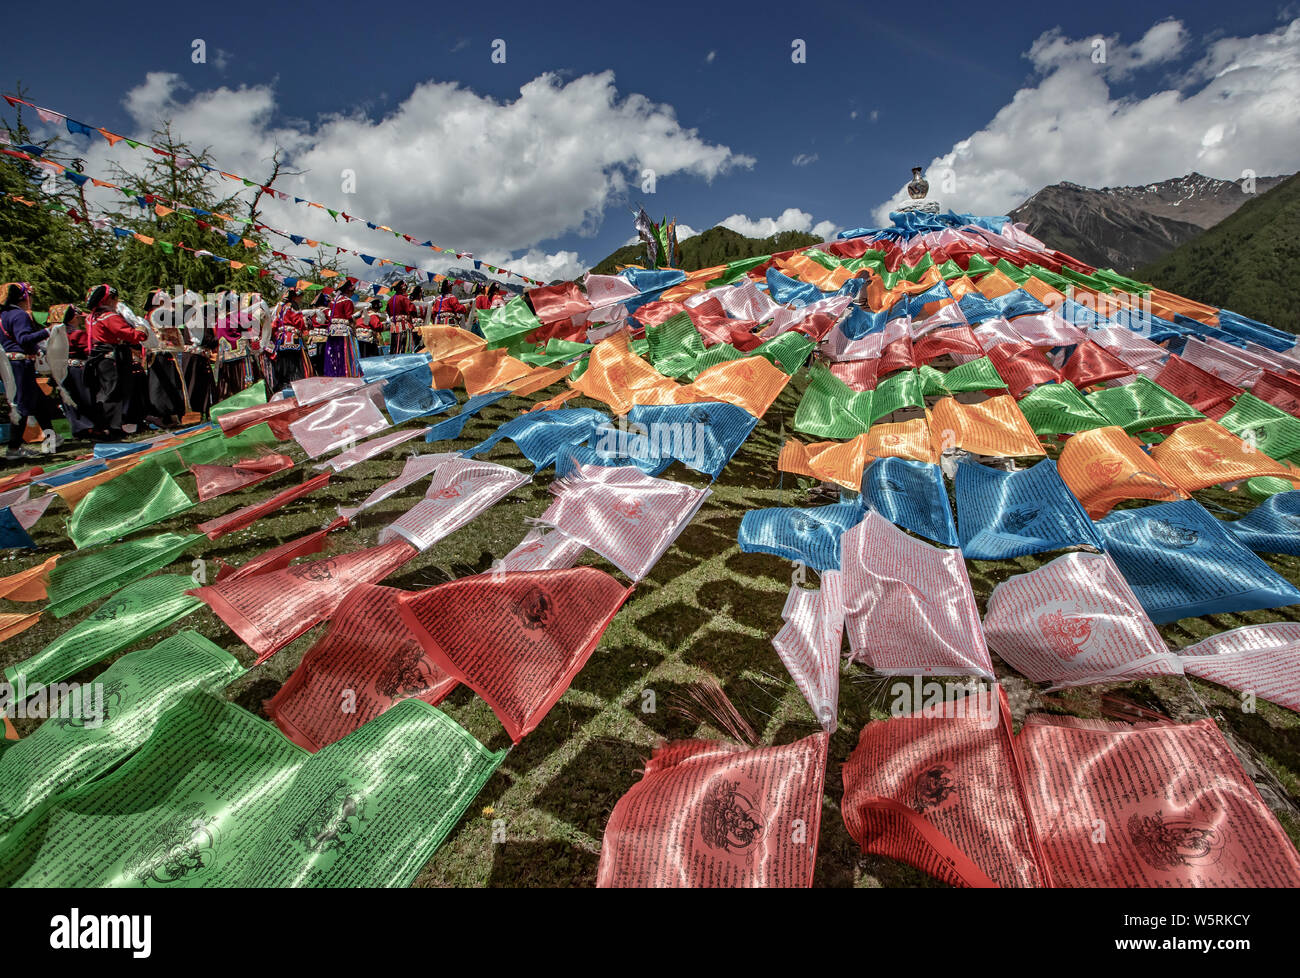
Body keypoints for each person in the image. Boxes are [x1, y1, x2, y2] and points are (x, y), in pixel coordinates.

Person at [1, 282, 63, 460]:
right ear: (24, 297)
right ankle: (13, 449)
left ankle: (52, 441)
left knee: (39, 404)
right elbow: (23, 338)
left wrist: (36, 349)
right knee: (22, 405)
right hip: (20, 365)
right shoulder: (19, 315)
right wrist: (47, 331)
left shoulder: (3, 315)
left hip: (12, 363)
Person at [84, 283, 147, 440]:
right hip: (112, 357)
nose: (117, 302)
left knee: (104, 392)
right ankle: (112, 427)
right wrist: (141, 332)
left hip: (100, 357)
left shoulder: (91, 317)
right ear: (109, 299)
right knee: (113, 392)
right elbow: (126, 333)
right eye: (115, 299)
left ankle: (105, 426)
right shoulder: (109, 316)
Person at [50, 303, 96, 438]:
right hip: (77, 369)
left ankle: (78, 427)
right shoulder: (77, 334)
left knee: (69, 399)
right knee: (84, 397)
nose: (79, 320)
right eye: (77, 318)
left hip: (61, 370)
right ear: (71, 319)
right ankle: (89, 427)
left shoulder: (55, 336)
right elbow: (89, 350)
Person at [143, 288, 186, 427]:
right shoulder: (157, 313)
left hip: (166, 352)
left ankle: (171, 415)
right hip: (161, 352)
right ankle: (163, 415)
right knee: (162, 387)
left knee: (169, 385)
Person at [268, 288, 310, 394]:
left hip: (281, 338)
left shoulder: (280, 307)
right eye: (300, 296)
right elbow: (299, 322)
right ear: (295, 296)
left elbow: (274, 323)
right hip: (293, 338)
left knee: (283, 362)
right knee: (295, 363)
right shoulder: (293, 306)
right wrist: (307, 322)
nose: (301, 299)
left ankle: (283, 384)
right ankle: (295, 384)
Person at [323, 279, 358, 377]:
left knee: (334, 351)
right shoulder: (347, 301)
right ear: (347, 291)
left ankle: (335, 372)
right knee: (345, 352)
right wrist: (357, 316)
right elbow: (349, 317)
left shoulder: (333, 301)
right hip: (344, 330)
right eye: (352, 291)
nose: (352, 294)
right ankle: (347, 372)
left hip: (333, 329)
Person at [386, 280, 417, 355]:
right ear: (403, 288)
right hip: (403, 326)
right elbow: (411, 309)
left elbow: (388, 312)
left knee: (395, 344)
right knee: (405, 345)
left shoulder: (390, 300)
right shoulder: (403, 299)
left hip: (394, 326)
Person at [305, 291, 330, 375]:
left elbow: (308, 325)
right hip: (324, 338)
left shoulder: (311, 312)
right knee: (324, 360)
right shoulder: (328, 311)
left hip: (312, 339)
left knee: (314, 360)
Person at [354, 296, 385, 360]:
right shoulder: (373, 315)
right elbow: (377, 326)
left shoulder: (362, 314)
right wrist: (384, 325)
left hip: (359, 338)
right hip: (368, 340)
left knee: (362, 355)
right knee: (370, 357)